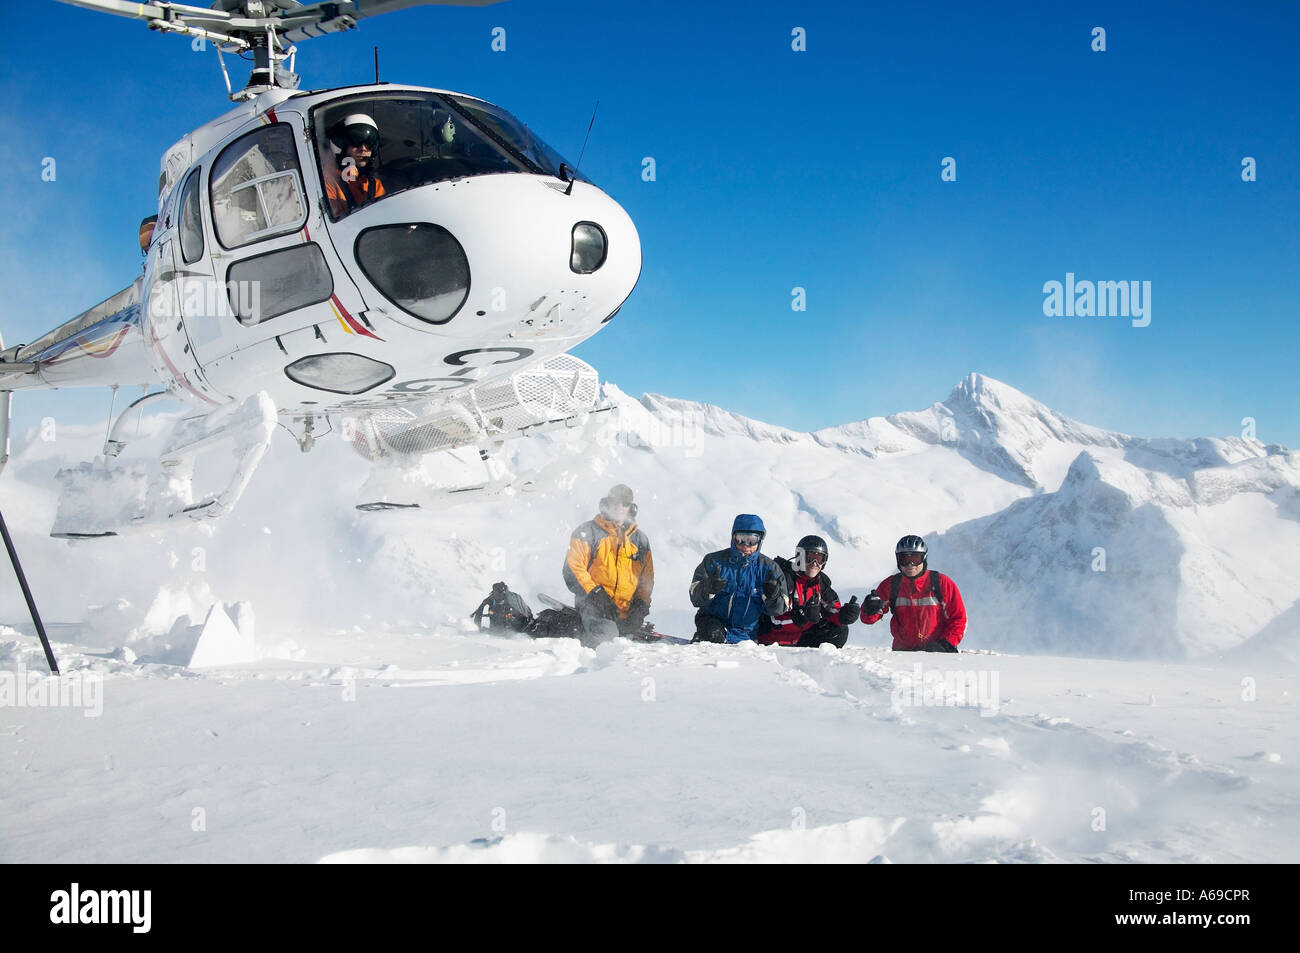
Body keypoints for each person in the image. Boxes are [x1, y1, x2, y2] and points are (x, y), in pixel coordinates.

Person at [562, 484, 654, 645]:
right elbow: (573, 567)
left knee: (630, 643)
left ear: (631, 508)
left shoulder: (640, 540)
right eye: (616, 501)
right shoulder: (588, 531)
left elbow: (647, 580)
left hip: (625, 613)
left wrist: (640, 608)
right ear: (607, 503)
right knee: (607, 635)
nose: (620, 507)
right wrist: (596, 594)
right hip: (593, 605)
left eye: (625, 503)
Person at [689, 514, 789, 643]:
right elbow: (694, 597)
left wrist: (773, 596)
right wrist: (708, 588)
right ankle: (703, 642)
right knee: (713, 634)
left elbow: (780, 609)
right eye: (740, 539)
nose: (746, 545)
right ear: (733, 538)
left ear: (760, 540)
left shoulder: (769, 569)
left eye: (752, 540)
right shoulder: (714, 562)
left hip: (747, 636)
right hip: (712, 624)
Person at [860, 535, 967, 651]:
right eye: (904, 559)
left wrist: (945, 644)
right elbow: (867, 619)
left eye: (915, 559)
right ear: (898, 560)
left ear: (924, 558)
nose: (910, 564)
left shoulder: (941, 583)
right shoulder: (890, 585)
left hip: (938, 654)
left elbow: (959, 619)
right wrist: (868, 609)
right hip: (904, 654)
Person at [757, 535, 859, 648]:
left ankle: (821, 660)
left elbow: (831, 607)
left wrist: (843, 615)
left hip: (800, 639)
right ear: (800, 557)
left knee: (840, 629)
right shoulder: (785, 578)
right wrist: (803, 618)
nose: (814, 564)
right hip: (773, 642)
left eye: (819, 559)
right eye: (810, 558)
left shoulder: (821, 582)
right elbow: (773, 619)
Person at [324, 113, 386, 216]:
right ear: (341, 144)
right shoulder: (327, 182)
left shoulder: (374, 186)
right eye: (356, 141)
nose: (363, 149)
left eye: (369, 143)